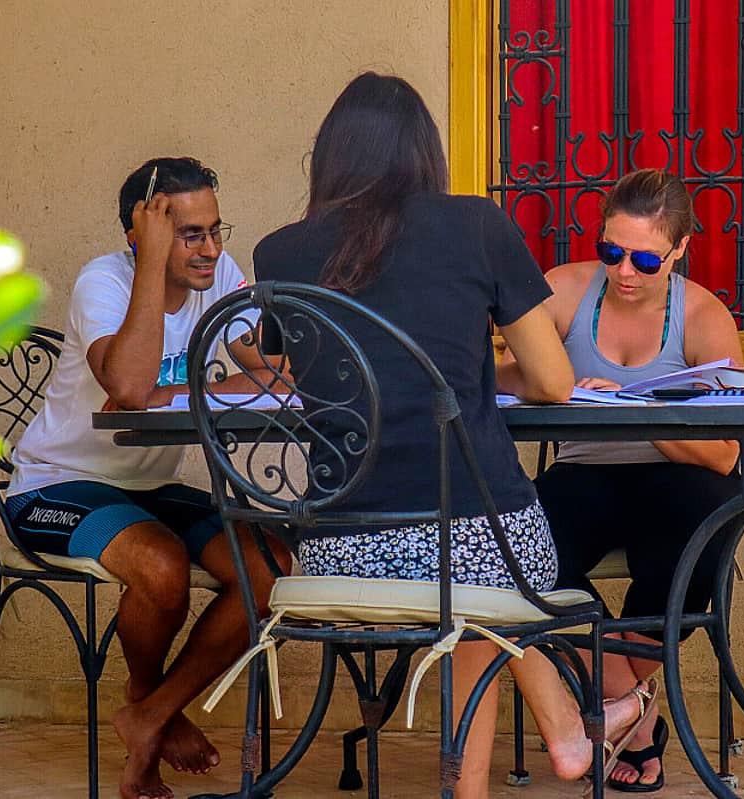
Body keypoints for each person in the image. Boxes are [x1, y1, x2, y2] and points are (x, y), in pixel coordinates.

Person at [253, 72, 655, 798]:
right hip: (468, 541)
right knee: (482, 562)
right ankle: (555, 737)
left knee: (474, 572)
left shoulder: (278, 253)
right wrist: (478, 367)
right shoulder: (477, 225)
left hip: (333, 546)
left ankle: (561, 733)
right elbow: (556, 382)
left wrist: (452, 371)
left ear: (329, 157)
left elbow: (303, 365)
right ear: (424, 152)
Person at [7, 157, 289, 799]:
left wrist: (198, 385)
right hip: (55, 484)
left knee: (270, 571)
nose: (212, 249)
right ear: (142, 232)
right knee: (161, 568)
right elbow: (129, 386)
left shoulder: (218, 278)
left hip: (145, 491)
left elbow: (277, 374)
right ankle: (145, 699)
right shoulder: (102, 283)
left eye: (217, 230)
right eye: (191, 234)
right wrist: (148, 263)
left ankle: (150, 713)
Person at [506, 168, 744, 791]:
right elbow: (489, 373)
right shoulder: (563, 290)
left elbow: (724, 456)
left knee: (705, 524)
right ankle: (636, 710)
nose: (625, 272)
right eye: (611, 251)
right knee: (512, 544)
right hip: (585, 471)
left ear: (680, 249)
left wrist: (640, 417)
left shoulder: (701, 314)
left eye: (644, 258)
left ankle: (617, 701)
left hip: (678, 473)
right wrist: (552, 380)